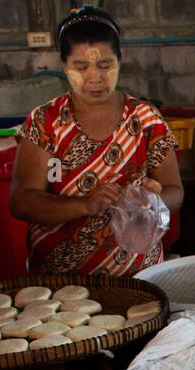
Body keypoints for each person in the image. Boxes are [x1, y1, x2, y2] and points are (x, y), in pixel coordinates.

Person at [9, 5, 184, 275]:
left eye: (105, 65)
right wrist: (84, 205)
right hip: (60, 282)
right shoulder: (45, 122)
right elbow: (22, 202)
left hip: (138, 274)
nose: (95, 78)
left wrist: (153, 198)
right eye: (81, 66)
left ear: (119, 61)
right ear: (64, 66)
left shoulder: (146, 120)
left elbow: (175, 191)